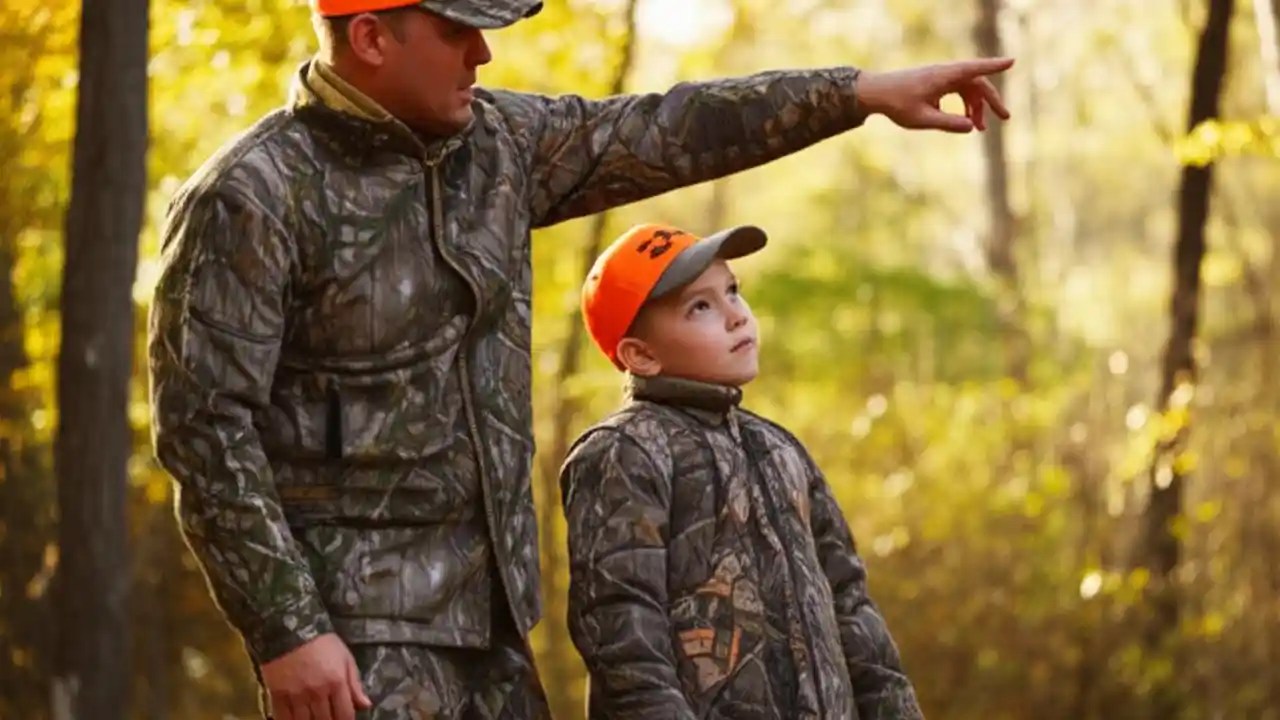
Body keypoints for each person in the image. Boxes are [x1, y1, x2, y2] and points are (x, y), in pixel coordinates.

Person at [145, 0, 1011, 717]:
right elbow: (205, 432)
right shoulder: (250, 196)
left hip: (496, 632)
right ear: (370, 36)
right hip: (357, 642)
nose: (483, 53)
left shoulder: (499, 145)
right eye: (456, 31)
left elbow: (668, 127)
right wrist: (289, 629)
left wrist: (858, 94)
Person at [560, 223, 921, 720]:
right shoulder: (623, 453)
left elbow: (852, 608)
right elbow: (623, 639)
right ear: (641, 355)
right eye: (700, 307)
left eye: (732, 291)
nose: (736, 316)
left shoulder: (779, 449)